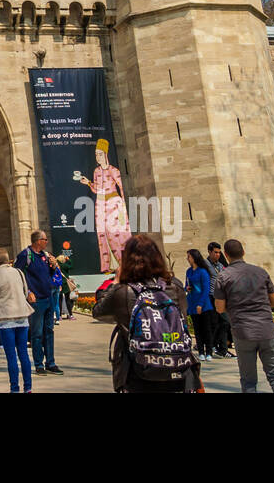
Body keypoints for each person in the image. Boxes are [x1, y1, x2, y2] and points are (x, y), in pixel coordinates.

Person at [92, 234, 198, 393]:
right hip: (178, 367)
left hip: (138, 370)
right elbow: (182, 316)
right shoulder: (175, 286)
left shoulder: (123, 291)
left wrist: (114, 283)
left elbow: (99, 312)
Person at [212, 239, 274, 392]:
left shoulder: (223, 276)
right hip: (268, 330)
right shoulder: (261, 272)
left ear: (225, 255)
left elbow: (219, 308)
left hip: (243, 331)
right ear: (243, 252)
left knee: (249, 381)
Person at [0, 248, 34, 393]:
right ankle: (28, 387)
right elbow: (25, 292)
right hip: (22, 317)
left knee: (11, 356)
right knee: (23, 353)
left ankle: (14, 388)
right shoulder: (18, 272)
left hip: (6, 319)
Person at [75, 138, 132, 273]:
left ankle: (124, 263)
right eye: (96, 154)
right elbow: (97, 189)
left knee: (116, 234)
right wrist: (88, 183)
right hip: (100, 204)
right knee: (103, 234)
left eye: (100, 154)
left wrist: (123, 205)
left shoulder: (113, 170)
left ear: (105, 154)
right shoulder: (96, 171)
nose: (98, 157)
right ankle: (111, 265)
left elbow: (122, 187)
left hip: (113, 203)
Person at [14, 230, 62, 375]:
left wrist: (53, 266)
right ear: (37, 241)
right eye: (45, 239)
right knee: (37, 333)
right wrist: (27, 292)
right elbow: (17, 275)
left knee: (49, 331)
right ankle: (38, 364)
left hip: (48, 298)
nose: (47, 242)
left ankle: (51, 362)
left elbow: (49, 275)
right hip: (36, 300)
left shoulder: (45, 256)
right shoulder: (25, 255)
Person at [184, 249, 215, 361]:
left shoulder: (203, 272)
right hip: (192, 302)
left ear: (194, 257)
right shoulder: (189, 271)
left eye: (189, 257)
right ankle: (201, 351)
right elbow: (186, 285)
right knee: (197, 329)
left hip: (204, 304)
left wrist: (200, 304)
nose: (187, 259)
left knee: (206, 329)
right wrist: (186, 288)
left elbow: (206, 289)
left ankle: (209, 352)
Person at [206, 242, 232, 358]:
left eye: (219, 252)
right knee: (217, 322)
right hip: (211, 296)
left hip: (220, 297)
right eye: (215, 252)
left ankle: (220, 348)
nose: (217, 255)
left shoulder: (220, 266)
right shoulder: (205, 265)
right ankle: (216, 347)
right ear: (209, 252)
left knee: (224, 322)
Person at [47, 254, 64, 324]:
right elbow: (60, 276)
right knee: (56, 303)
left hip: (51, 286)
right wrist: (60, 285)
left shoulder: (49, 268)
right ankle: (57, 318)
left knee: (51, 303)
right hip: (57, 286)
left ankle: (52, 317)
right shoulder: (57, 268)